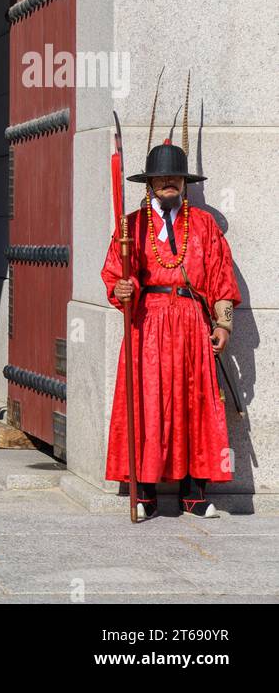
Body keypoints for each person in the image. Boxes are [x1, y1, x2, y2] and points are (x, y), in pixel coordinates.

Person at [104, 139, 239, 519]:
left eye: (174, 177)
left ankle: (194, 492)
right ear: (149, 183)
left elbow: (220, 275)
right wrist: (121, 288)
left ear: (184, 182)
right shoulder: (129, 226)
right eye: (160, 177)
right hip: (147, 322)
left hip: (193, 322)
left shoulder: (203, 224)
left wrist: (223, 323)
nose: (167, 183)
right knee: (147, 402)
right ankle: (145, 491)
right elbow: (115, 272)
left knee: (194, 402)